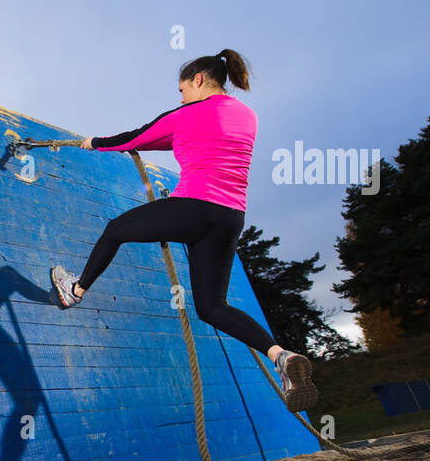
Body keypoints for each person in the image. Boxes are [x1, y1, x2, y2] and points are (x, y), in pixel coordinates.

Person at [49, 49, 317, 412]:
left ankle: (76, 290)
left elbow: (136, 137)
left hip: (192, 207)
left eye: (182, 89)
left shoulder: (185, 113)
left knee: (115, 230)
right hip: (230, 217)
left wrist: (95, 143)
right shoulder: (248, 116)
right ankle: (281, 356)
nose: (180, 97)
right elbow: (180, 139)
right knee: (213, 306)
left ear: (199, 79)